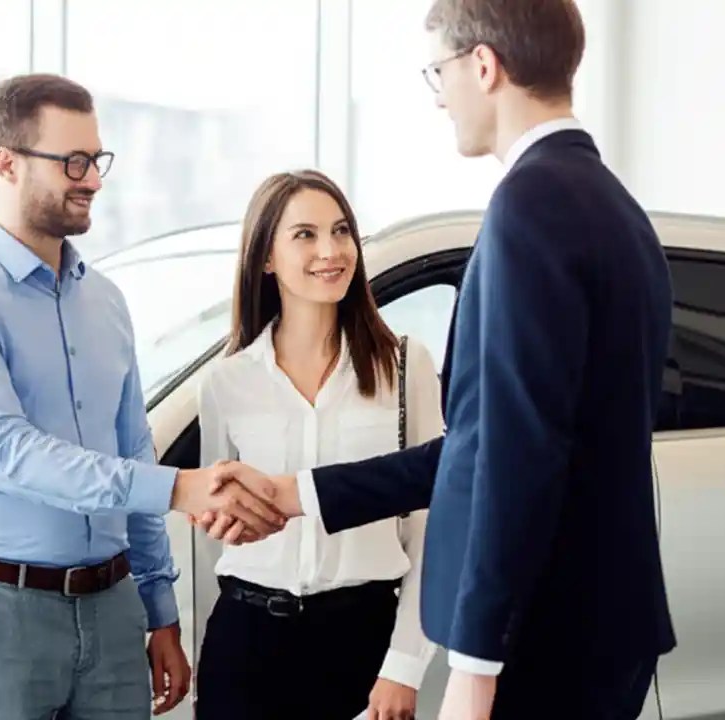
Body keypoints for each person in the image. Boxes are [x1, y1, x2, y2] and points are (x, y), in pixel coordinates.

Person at [199, 1, 677, 718]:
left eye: (440, 72)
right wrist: (297, 494)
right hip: (600, 624)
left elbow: (516, 451)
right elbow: (481, 446)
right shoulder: (613, 206)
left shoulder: (529, 207)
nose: (441, 96)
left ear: (483, 65)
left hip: (546, 631)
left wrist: (476, 663)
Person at [0, 72, 284, 720]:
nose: (94, 180)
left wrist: (160, 610)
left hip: (112, 612)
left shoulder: (105, 301)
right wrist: (179, 490)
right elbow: (5, 451)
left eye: (97, 160)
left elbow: (133, 446)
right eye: (74, 161)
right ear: (7, 163)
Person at [190, 169, 445, 720]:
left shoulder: (405, 367)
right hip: (246, 644)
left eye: (341, 231)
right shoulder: (227, 382)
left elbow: (434, 524)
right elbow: (219, 531)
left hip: (362, 641)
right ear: (265, 258)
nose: (330, 250)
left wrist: (403, 664)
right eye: (304, 234)